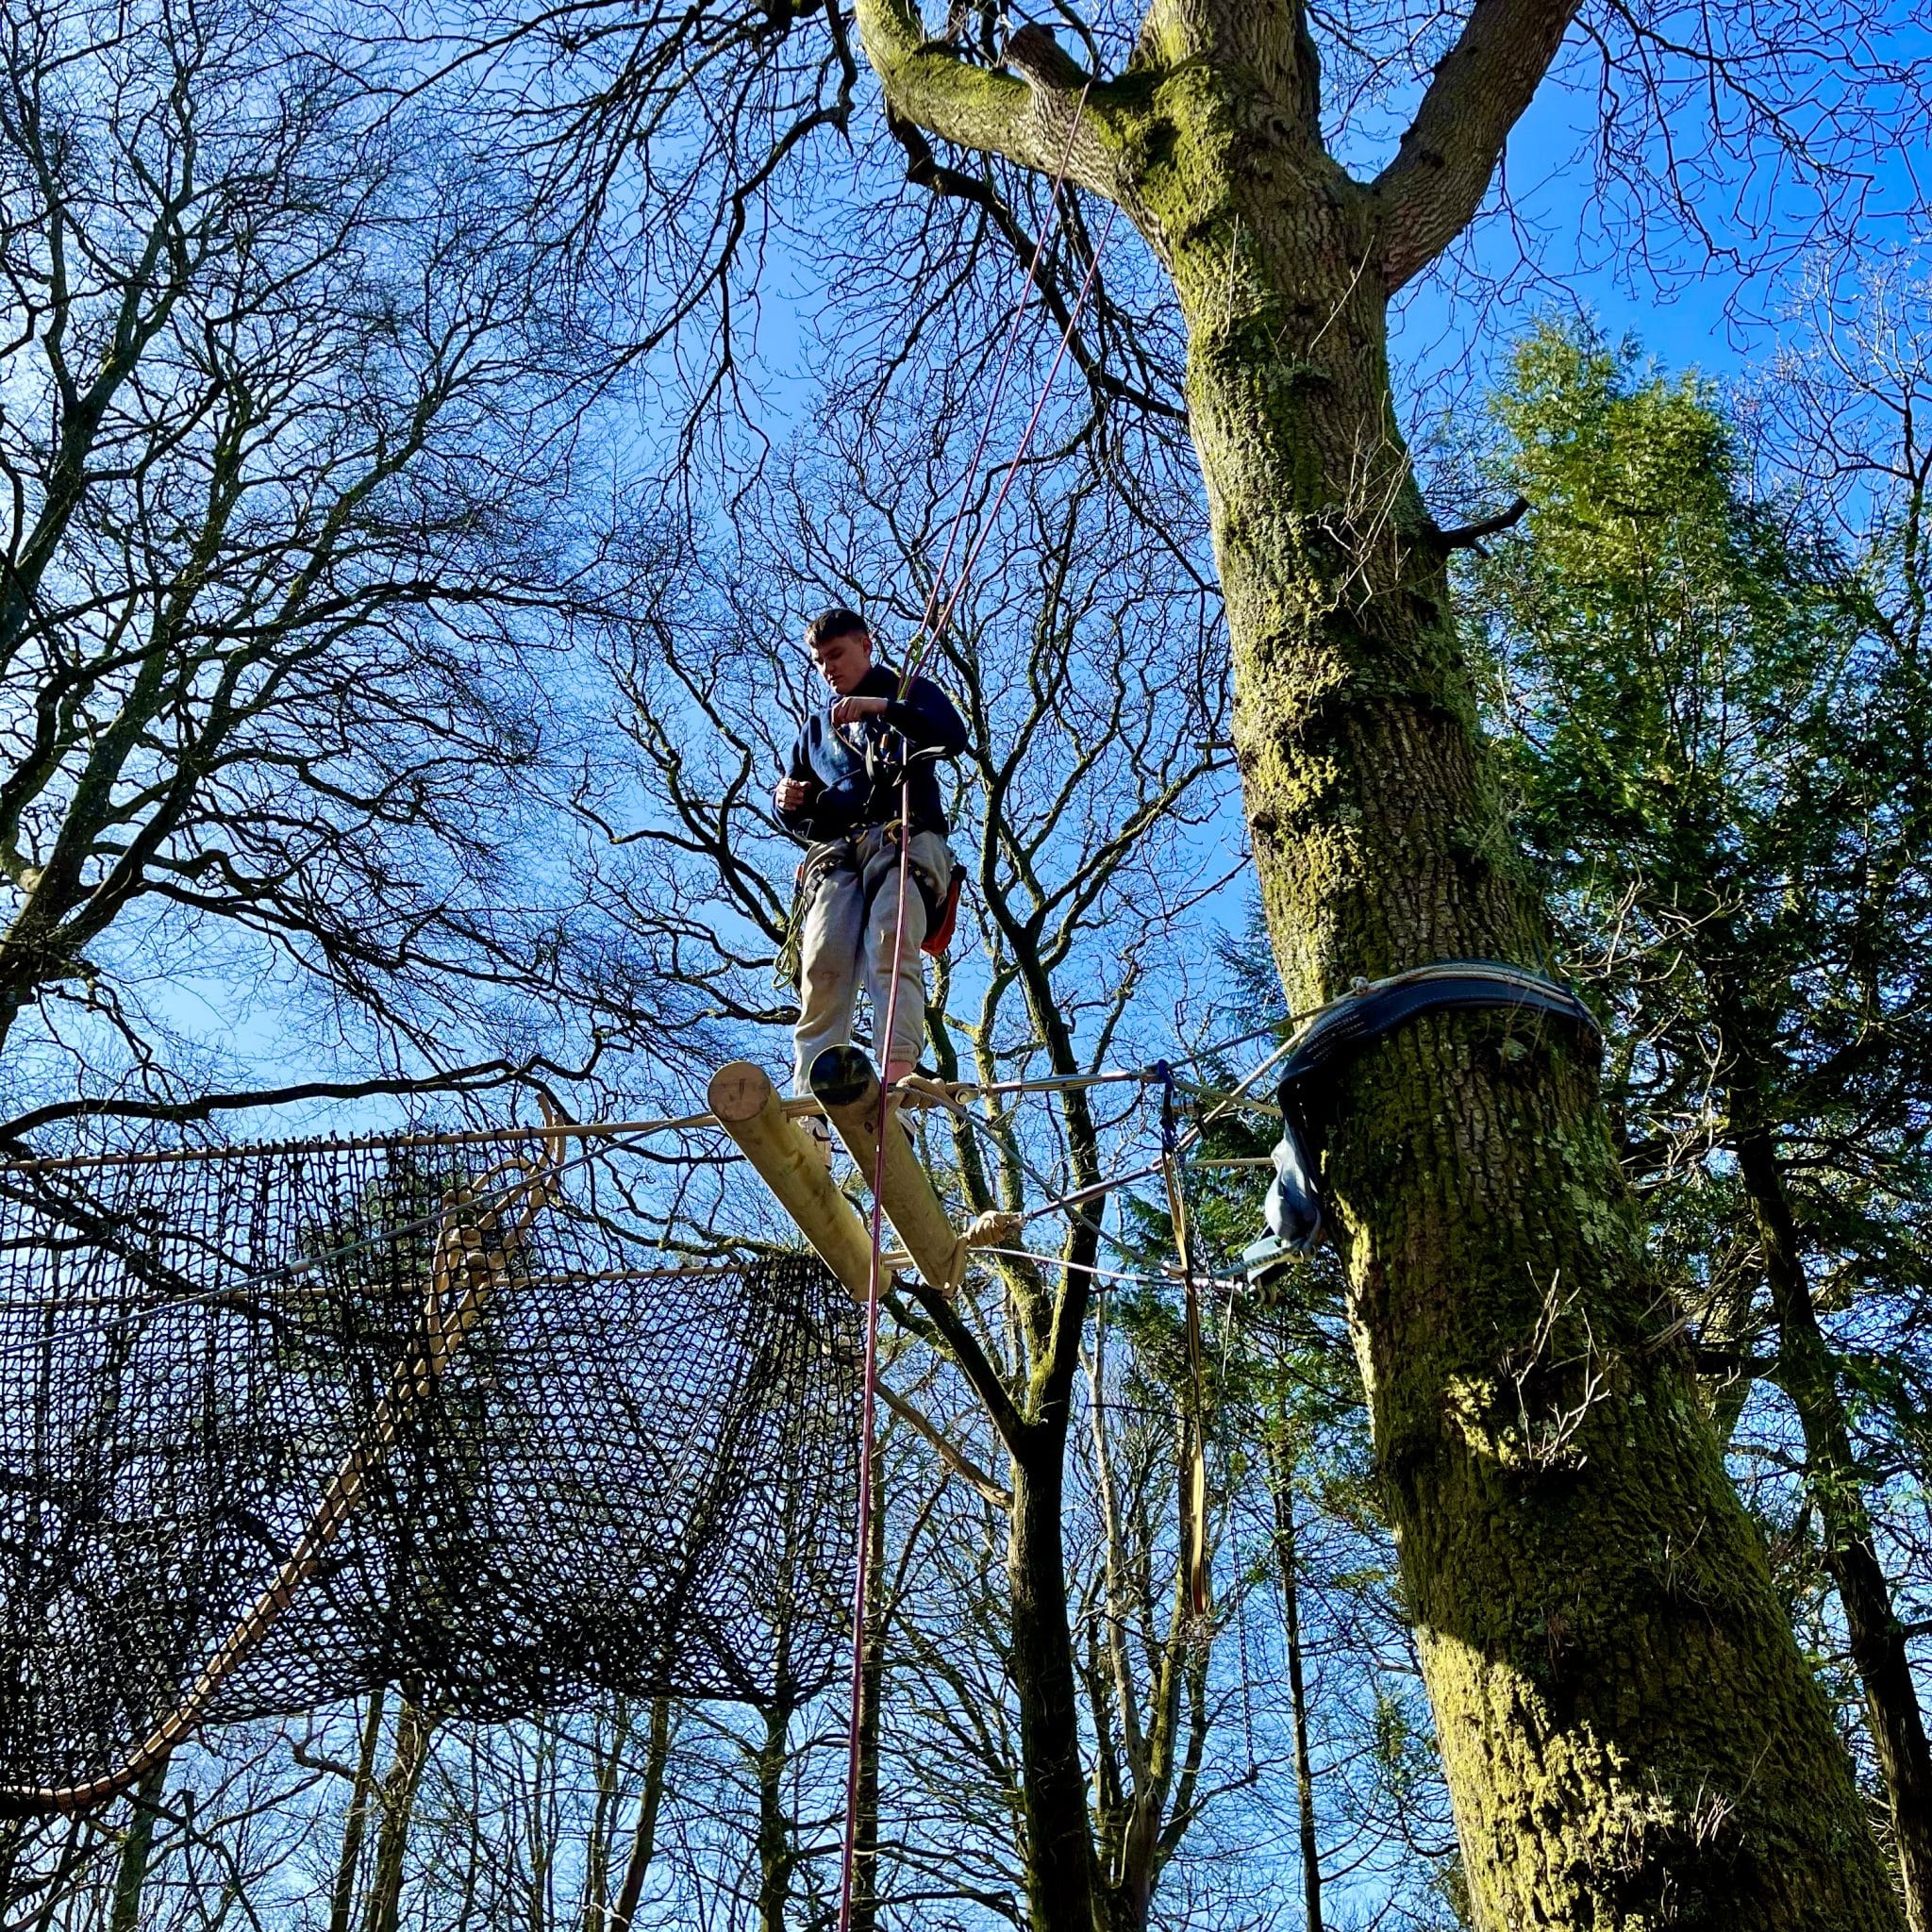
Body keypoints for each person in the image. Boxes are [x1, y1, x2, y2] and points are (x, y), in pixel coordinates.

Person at [774, 608, 967, 1135]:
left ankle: (898, 1084)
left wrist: (885, 706)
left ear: (865, 643)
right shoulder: (814, 732)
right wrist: (789, 804)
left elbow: (952, 736)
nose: (827, 669)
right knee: (823, 966)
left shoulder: (907, 692)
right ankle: (813, 1104)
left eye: (836, 655)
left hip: (902, 837)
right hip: (838, 855)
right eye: (819, 662)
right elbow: (802, 815)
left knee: (890, 943)